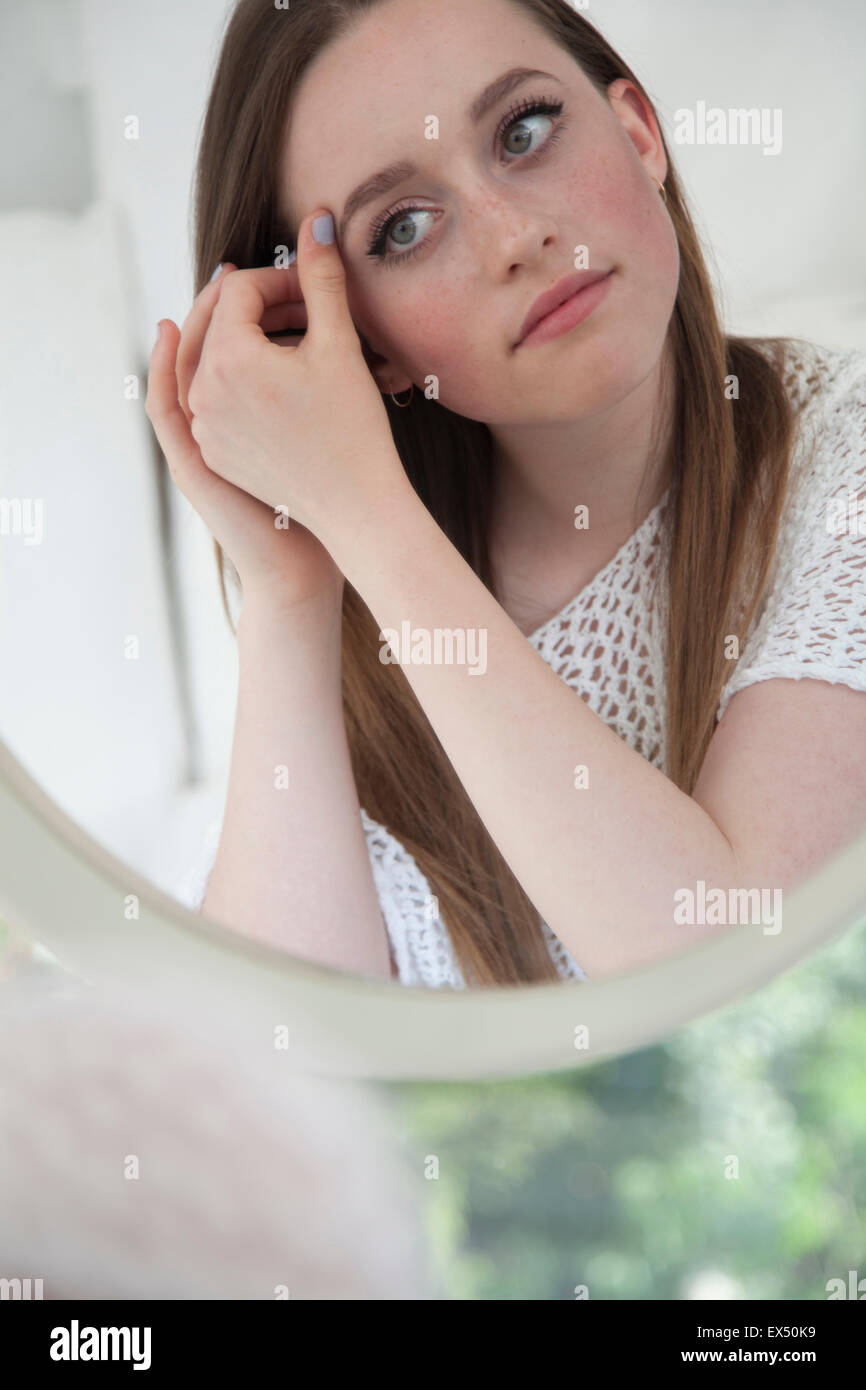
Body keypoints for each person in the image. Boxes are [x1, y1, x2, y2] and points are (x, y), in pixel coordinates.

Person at [149, 0, 866, 991]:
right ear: (365, 348)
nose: (513, 236)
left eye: (522, 132)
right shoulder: (363, 597)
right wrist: (291, 593)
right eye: (401, 227)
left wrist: (366, 518)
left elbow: (726, 964)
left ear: (636, 131)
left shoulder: (844, 456)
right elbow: (281, 1047)